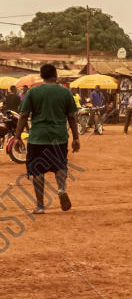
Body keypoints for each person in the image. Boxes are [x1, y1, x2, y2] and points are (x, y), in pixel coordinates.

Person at [16, 64, 81, 214]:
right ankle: (60, 189)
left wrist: (17, 137)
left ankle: (40, 206)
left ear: (42, 76)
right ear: (56, 75)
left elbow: (24, 115)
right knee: (60, 166)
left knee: (37, 171)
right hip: (59, 137)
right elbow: (71, 117)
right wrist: (76, 138)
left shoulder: (32, 92)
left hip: (37, 137)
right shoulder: (65, 93)